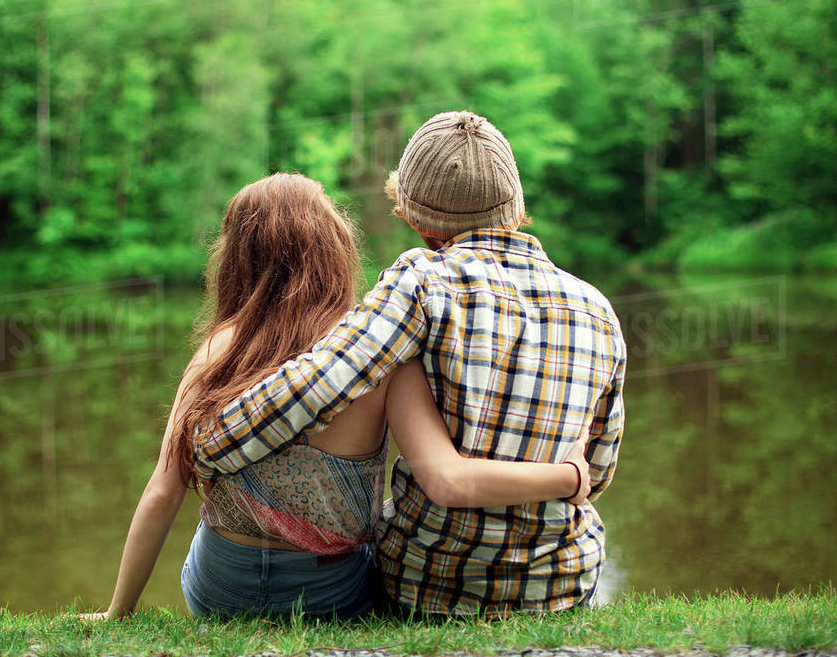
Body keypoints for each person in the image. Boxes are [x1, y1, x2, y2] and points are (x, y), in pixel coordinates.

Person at [84, 173, 592, 620]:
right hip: (330, 593)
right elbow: (445, 474)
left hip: (221, 587)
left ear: (238, 256)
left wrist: (118, 611)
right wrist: (569, 477)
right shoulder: (382, 355)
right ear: (333, 245)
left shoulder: (218, 349)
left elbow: (162, 492)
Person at [194, 112, 627, 617]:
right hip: (560, 586)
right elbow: (596, 469)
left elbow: (321, 383)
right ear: (517, 207)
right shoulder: (596, 307)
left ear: (415, 219)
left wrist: (214, 444)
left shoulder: (421, 279)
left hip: (432, 586)